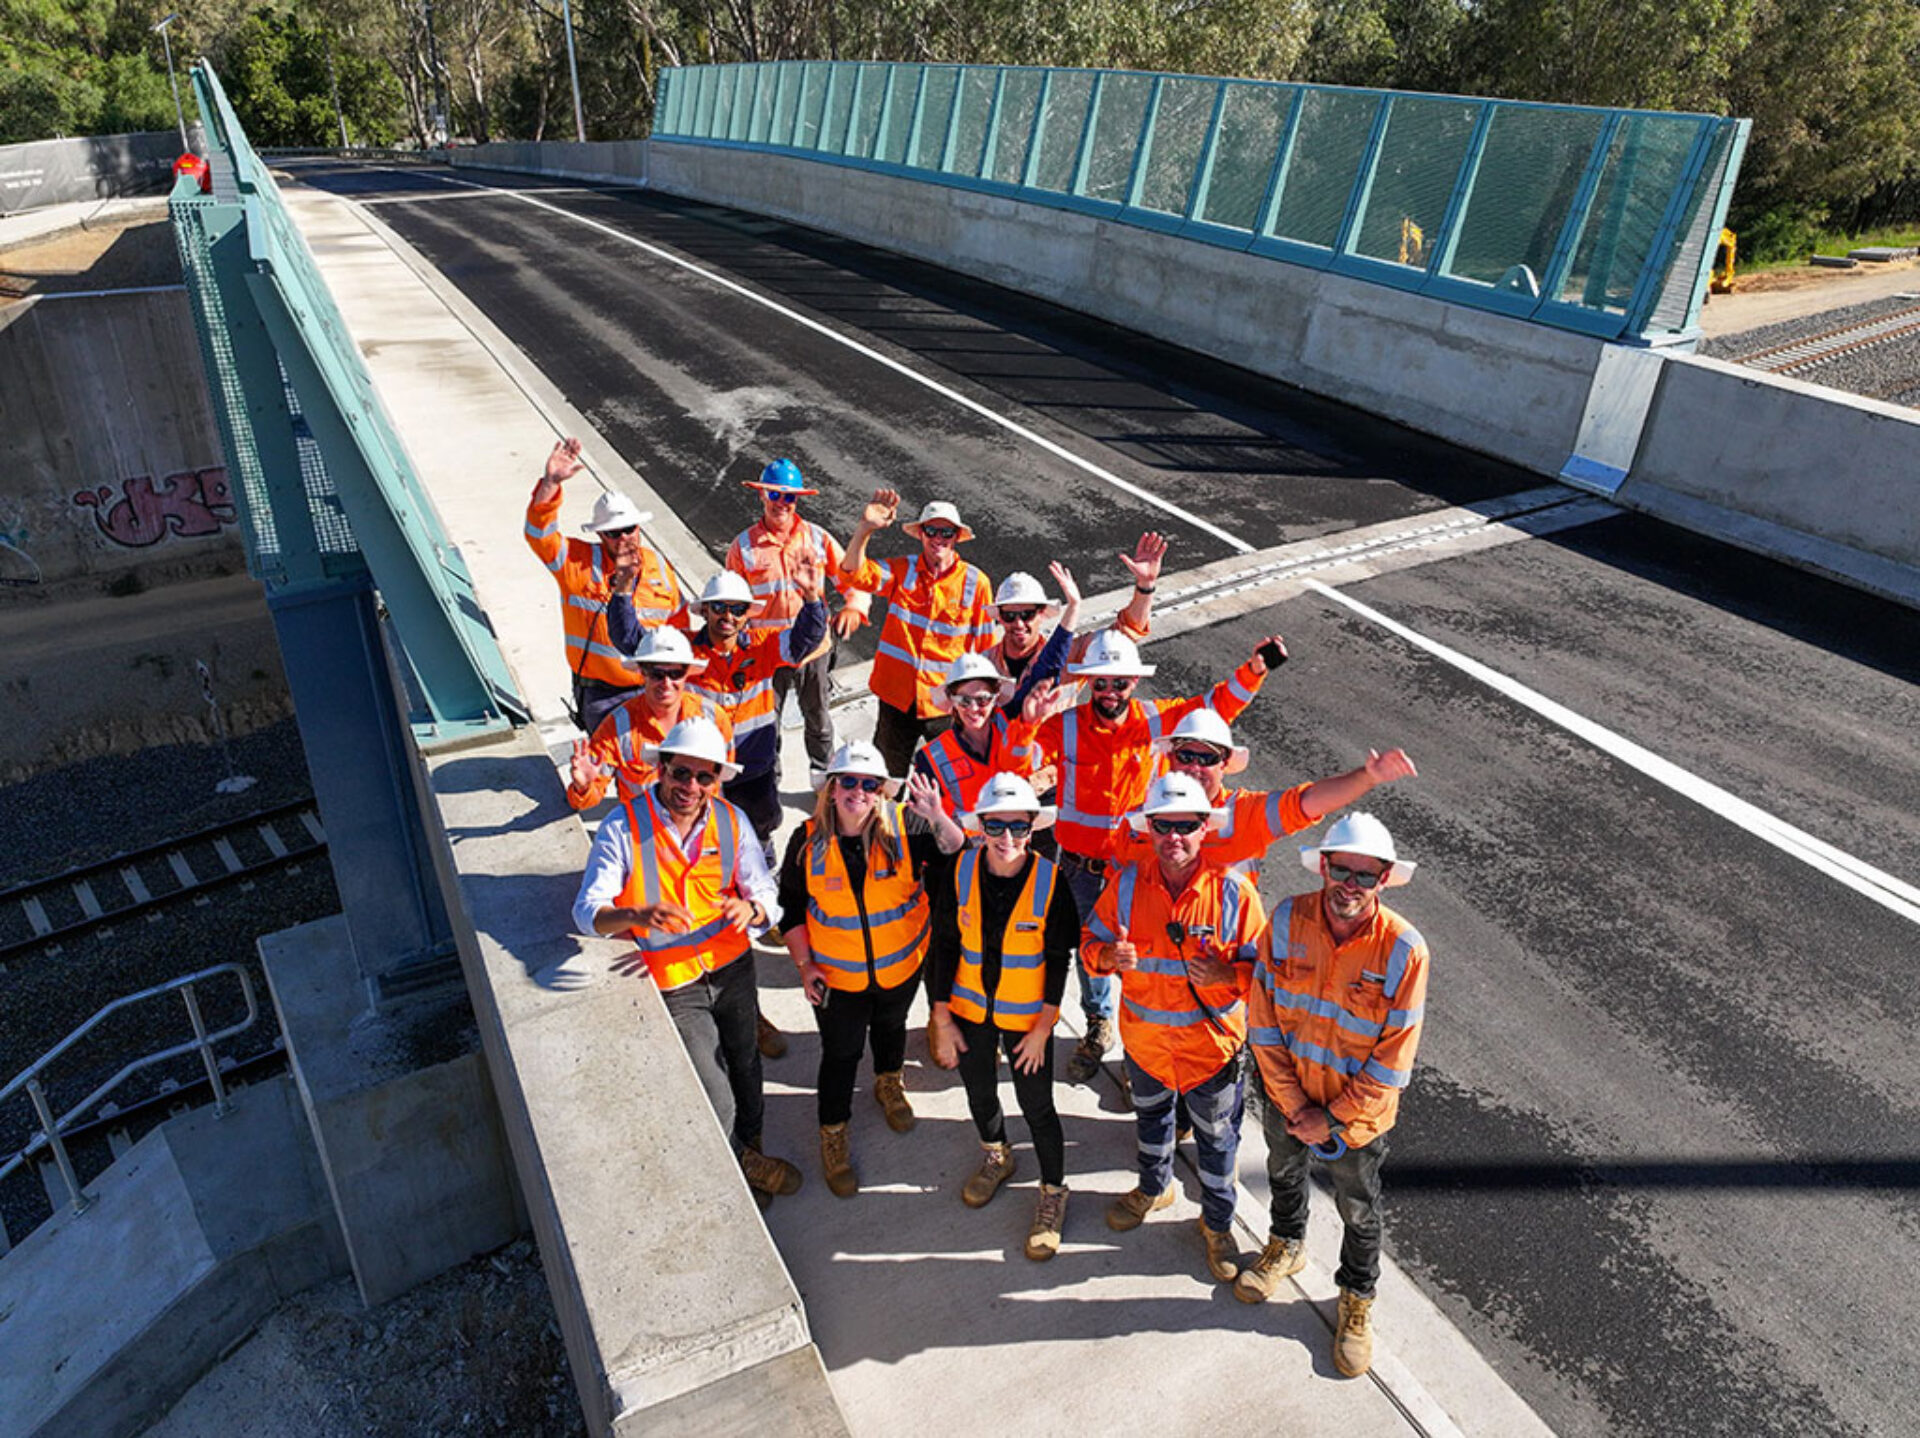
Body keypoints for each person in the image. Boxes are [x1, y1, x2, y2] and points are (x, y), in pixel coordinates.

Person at [1026, 629, 1282, 1082]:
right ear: (1088, 683)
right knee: (1099, 954)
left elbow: (1216, 705)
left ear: (1134, 682)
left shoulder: (1158, 721)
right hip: (1080, 870)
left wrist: (1255, 669)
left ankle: (1142, 1055)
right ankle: (1099, 1025)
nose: (1109, 692)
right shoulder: (1062, 726)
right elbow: (1023, 763)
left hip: (1138, 866)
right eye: (1100, 683)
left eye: (1119, 682)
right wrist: (1027, 725)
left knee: (1148, 961)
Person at [571, 717, 802, 1206]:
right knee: (713, 1085)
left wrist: (753, 909)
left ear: (716, 780)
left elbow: (765, 891)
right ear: (661, 771)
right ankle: (737, 1168)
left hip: (733, 967)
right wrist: (635, 913)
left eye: (704, 777)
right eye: (681, 774)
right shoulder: (623, 826)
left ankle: (750, 1150)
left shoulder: (730, 820)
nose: (690, 787)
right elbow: (587, 912)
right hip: (676, 982)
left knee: (745, 1063)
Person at [1237, 812, 1430, 1381]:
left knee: (1359, 1210)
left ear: (1384, 880)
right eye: (1341, 869)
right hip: (1286, 1098)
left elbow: (1394, 1060)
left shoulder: (1404, 950)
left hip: (1357, 1122)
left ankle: (1356, 1300)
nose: (1350, 884)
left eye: (1365, 876)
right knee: (1284, 1175)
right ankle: (1286, 1245)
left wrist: (1333, 1117)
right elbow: (1263, 1016)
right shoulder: (1287, 919)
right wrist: (1294, 1102)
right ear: (1323, 866)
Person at [1079, 773, 1266, 1284]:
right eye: (1163, 825)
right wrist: (1106, 957)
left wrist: (1230, 975)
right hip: (1145, 1048)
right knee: (1153, 1125)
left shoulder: (1235, 894)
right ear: (1150, 829)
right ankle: (1153, 1186)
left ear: (1206, 828)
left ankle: (1218, 1224)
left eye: (1186, 825)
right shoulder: (1126, 885)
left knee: (1216, 1142)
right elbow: (1088, 944)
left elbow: (1270, 980)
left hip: (1211, 1053)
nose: (1174, 837)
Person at [778, 742, 963, 1197]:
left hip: (900, 969)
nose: (858, 792)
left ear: (882, 791)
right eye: (848, 782)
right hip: (837, 980)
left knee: (890, 1029)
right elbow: (791, 911)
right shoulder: (806, 840)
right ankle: (834, 1133)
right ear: (831, 789)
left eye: (869, 784)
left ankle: (888, 1083)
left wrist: (938, 816)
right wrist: (805, 967)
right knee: (840, 1056)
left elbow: (959, 855)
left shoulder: (909, 827)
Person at [926, 773, 1080, 1260]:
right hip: (970, 1010)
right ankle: (997, 1156)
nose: (1007, 839)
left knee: (1037, 1107)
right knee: (979, 1092)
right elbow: (944, 947)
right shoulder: (959, 871)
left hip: (1025, 1020)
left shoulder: (1051, 882)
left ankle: (1053, 1193)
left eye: (1018, 827)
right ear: (981, 827)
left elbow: (1059, 959)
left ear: (1033, 829)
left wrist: (1042, 1029)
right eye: (996, 826)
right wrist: (942, 1018)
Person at [613, 566, 826, 866]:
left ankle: (762, 855)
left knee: (762, 818)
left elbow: (807, 638)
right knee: (706, 832)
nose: (728, 616)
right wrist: (622, 593)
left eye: (737, 609)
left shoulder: (763, 643)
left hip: (754, 763)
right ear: (705, 611)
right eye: (719, 608)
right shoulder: (683, 650)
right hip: (703, 771)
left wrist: (813, 598)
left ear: (747, 614)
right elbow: (631, 641)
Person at [1112, 708, 1418, 880]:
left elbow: (1308, 802)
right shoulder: (1144, 819)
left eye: (1206, 758)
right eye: (1186, 755)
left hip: (1222, 978)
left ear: (1225, 764)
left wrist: (1367, 777)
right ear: (1170, 758)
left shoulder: (1244, 814)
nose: (1194, 766)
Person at [524, 437, 686, 734]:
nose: (623, 537)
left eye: (629, 529)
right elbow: (538, 534)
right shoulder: (577, 564)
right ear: (601, 535)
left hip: (657, 690)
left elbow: (682, 629)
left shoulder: (661, 568)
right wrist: (550, 483)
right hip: (603, 697)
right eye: (613, 532)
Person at [725, 458, 871, 778]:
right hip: (766, 656)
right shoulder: (743, 547)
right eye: (775, 495)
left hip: (813, 651)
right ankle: (768, 778)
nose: (782, 504)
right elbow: (729, 604)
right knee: (765, 723)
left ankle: (823, 774)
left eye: (789, 497)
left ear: (797, 500)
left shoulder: (817, 539)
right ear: (762, 496)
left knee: (818, 718)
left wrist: (854, 607)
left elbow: (854, 577)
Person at [837, 489, 996, 777]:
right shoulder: (902, 570)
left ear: (956, 537)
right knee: (885, 777)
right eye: (932, 530)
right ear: (921, 534)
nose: (939, 538)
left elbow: (985, 651)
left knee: (951, 778)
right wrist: (864, 529)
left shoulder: (976, 583)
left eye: (946, 532)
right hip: (896, 698)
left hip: (946, 704)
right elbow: (853, 574)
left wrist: (978, 705)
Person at [984, 533, 1166, 708]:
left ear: (1041, 614)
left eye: (1027, 615)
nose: (1019, 624)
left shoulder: (1071, 655)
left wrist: (1145, 585)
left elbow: (1124, 633)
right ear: (999, 617)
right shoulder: (983, 665)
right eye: (1010, 616)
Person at [563, 627, 731, 810]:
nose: (666, 684)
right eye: (658, 674)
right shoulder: (616, 727)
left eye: (675, 674)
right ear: (642, 673)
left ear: (687, 674)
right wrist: (583, 786)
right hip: (643, 832)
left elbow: (721, 778)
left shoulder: (714, 718)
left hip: (702, 830)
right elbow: (587, 798)